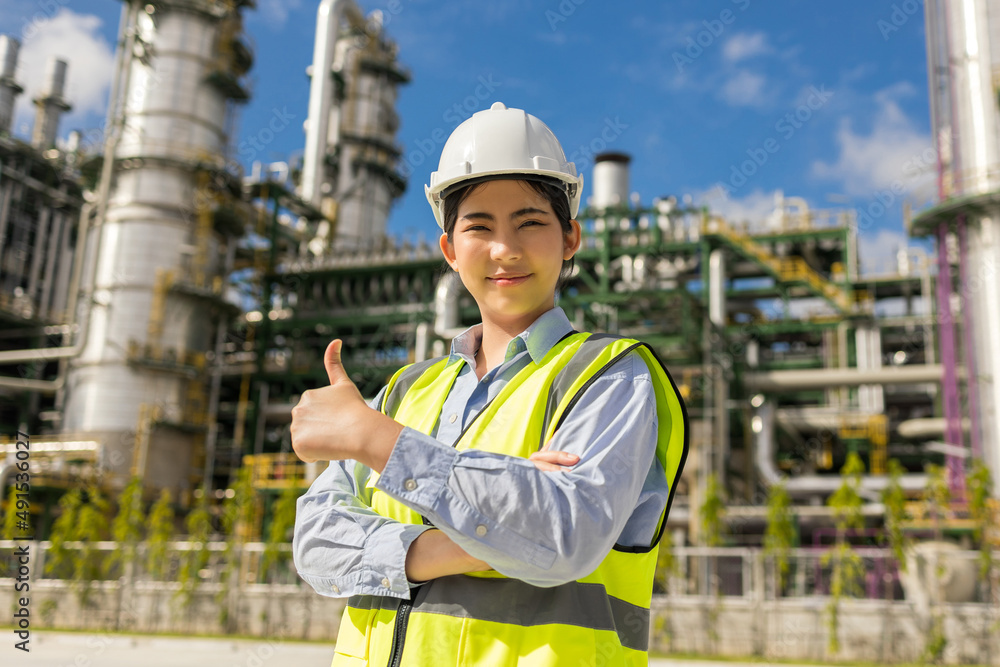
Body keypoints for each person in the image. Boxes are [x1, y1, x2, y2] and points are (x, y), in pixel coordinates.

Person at [291, 101, 688, 666]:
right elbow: (315, 544)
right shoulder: (407, 392)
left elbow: (562, 535)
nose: (505, 249)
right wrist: (462, 543)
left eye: (530, 222)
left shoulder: (608, 377)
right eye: (479, 227)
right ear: (450, 250)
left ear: (570, 237)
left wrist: (379, 443)